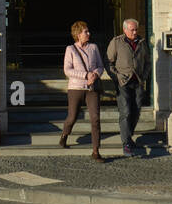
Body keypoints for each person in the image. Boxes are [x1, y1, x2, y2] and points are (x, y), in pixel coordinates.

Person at [60, 21, 105, 162]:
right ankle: (64, 135)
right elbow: (67, 70)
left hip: (92, 88)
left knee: (95, 119)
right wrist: (86, 75)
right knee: (72, 117)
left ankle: (96, 151)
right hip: (76, 88)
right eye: (86, 31)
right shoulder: (70, 49)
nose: (88, 33)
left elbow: (100, 66)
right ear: (78, 34)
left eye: (88, 31)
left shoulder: (94, 48)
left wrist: (95, 74)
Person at [106, 18, 149, 156]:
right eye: (132, 30)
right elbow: (109, 62)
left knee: (136, 111)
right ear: (125, 30)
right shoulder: (117, 42)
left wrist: (144, 76)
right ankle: (126, 144)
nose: (135, 32)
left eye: (136, 29)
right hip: (123, 82)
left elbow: (147, 62)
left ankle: (128, 137)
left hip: (138, 82)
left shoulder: (142, 43)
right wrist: (117, 77)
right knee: (126, 112)